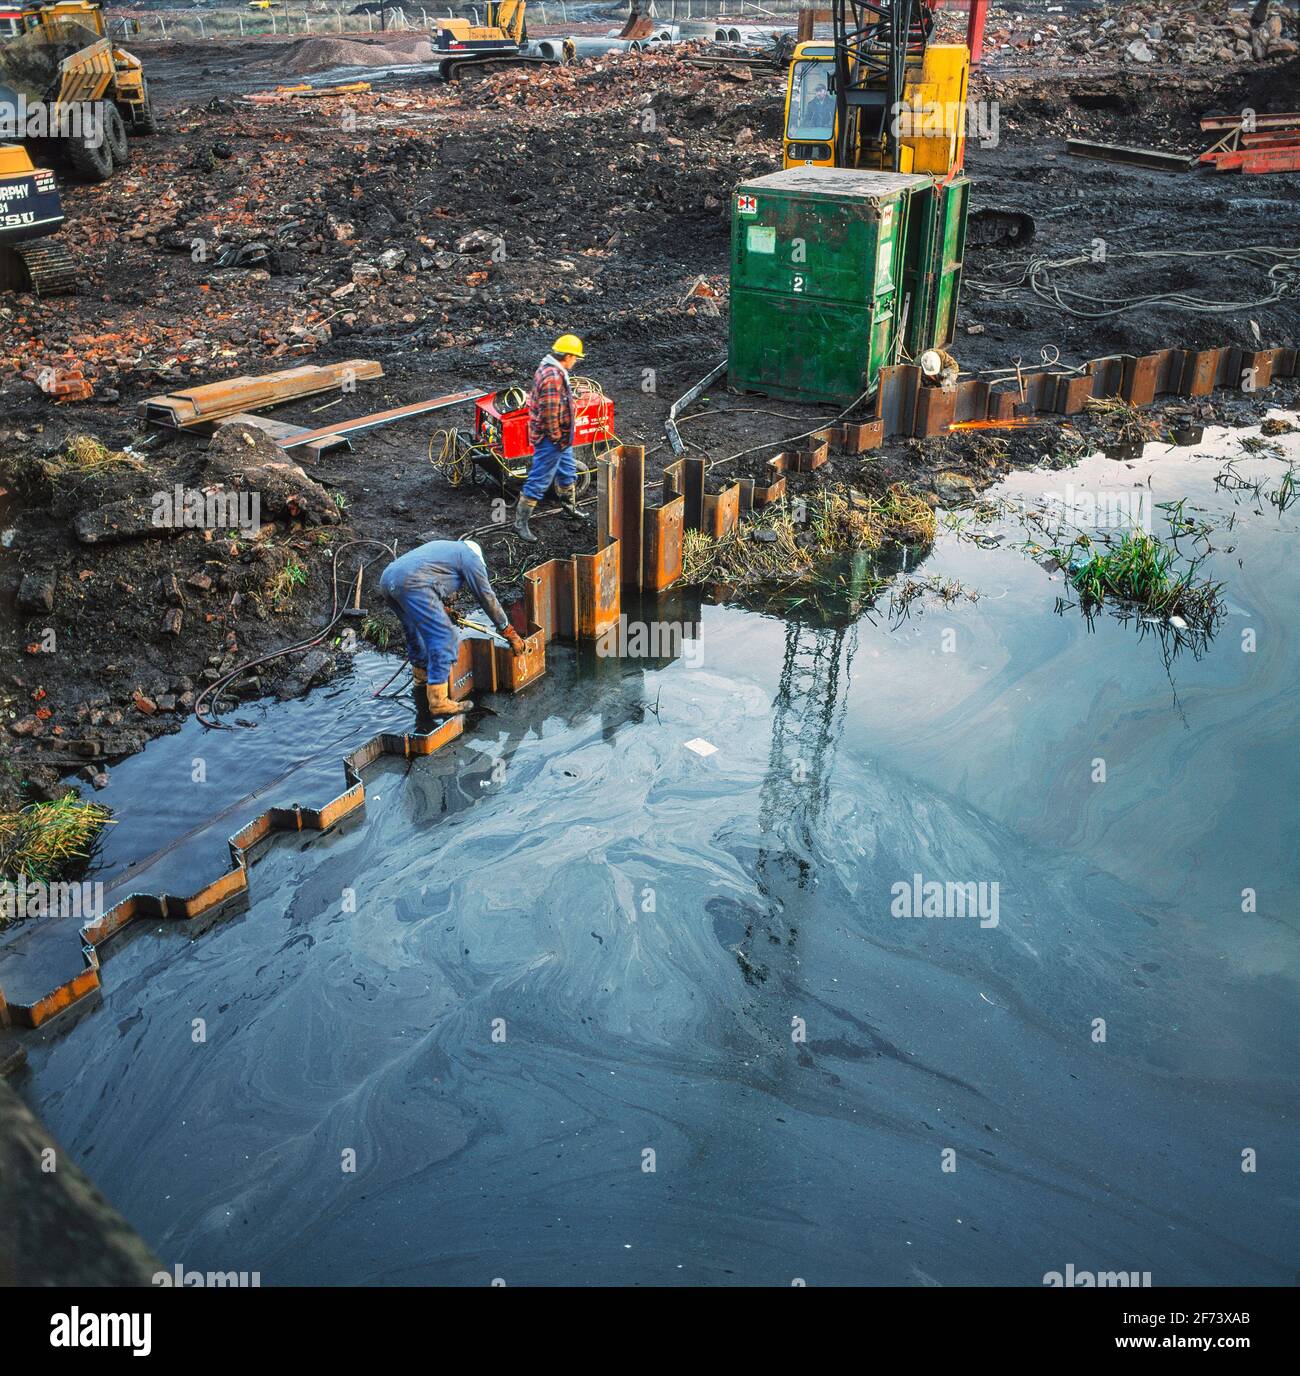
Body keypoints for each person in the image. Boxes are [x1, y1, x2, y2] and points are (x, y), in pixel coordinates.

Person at [378, 537, 525, 725]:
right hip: (412, 582)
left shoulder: (448, 550)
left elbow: (430, 578)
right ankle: (438, 701)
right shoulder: (472, 560)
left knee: (414, 631)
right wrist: (508, 630)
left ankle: (421, 680)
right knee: (444, 637)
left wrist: (443, 610)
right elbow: (486, 597)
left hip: (388, 579)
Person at [514, 332, 588, 544]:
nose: (575, 361)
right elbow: (548, 415)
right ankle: (520, 524)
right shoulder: (553, 377)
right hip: (552, 440)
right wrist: (557, 438)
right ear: (567, 356)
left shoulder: (553, 369)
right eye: (575, 357)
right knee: (539, 480)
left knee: (567, 472)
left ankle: (569, 508)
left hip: (561, 439)